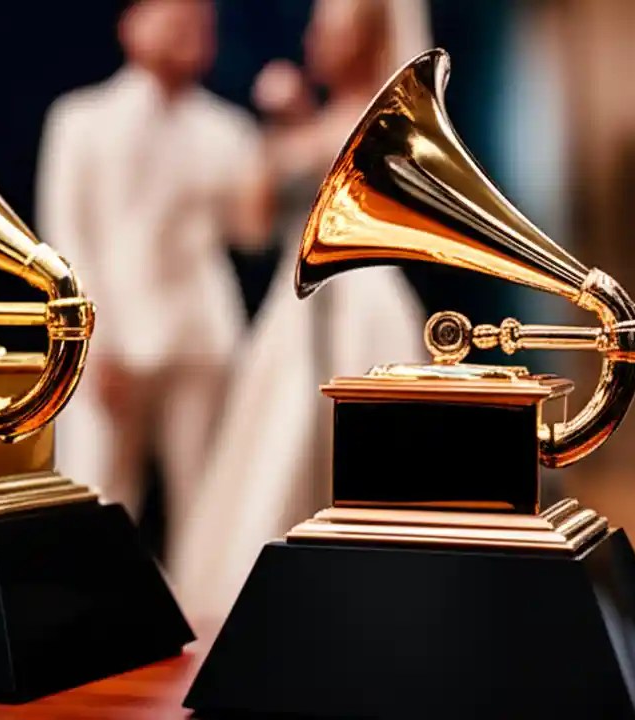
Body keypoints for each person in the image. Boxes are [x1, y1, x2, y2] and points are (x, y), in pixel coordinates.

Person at [173, 0, 431, 624]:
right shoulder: (304, 124)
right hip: (297, 304)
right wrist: (281, 129)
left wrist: (298, 130)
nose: (314, 38)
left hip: (362, 299)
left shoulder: (392, 124)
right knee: (277, 439)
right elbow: (252, 225)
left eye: (330, 26)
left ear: (368, 41)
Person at [36, 0, 263, 571]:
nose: (191, 30)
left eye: (203, 22)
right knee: (99, 493)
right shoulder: (80, 119)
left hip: (202, 337)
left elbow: (250, 233)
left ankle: (205, 631)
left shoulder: (227, 128)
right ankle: (92, 625)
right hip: (115, 338)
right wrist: (93, 342)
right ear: (131, 23)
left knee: (207, 505)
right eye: (174, 15)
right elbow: (65, 240)